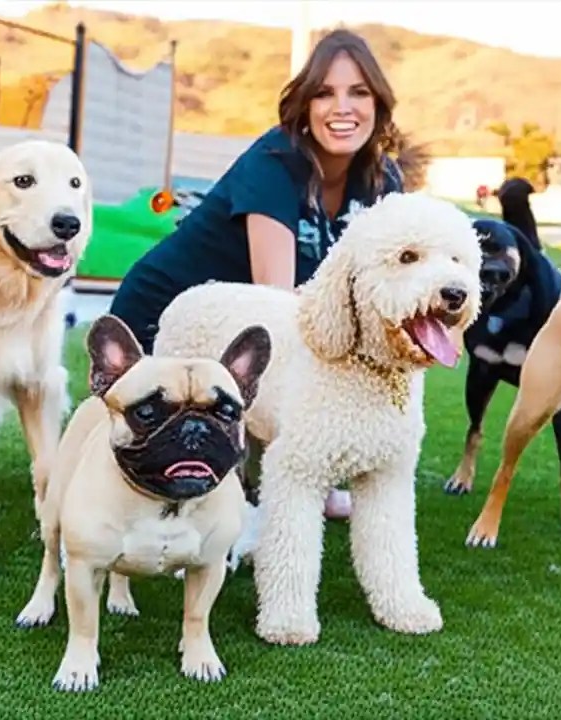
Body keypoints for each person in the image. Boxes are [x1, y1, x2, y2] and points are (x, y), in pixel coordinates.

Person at [107, 28, 405, 521]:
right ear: (305, 106)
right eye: (325, 93)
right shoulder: (274, 163)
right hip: (165, 319)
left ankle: (300, 475)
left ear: (378, 103)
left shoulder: (381, 178)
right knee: (148, 477)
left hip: (240, 333)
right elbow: (277, 304)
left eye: (359, 93)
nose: (342, 108)